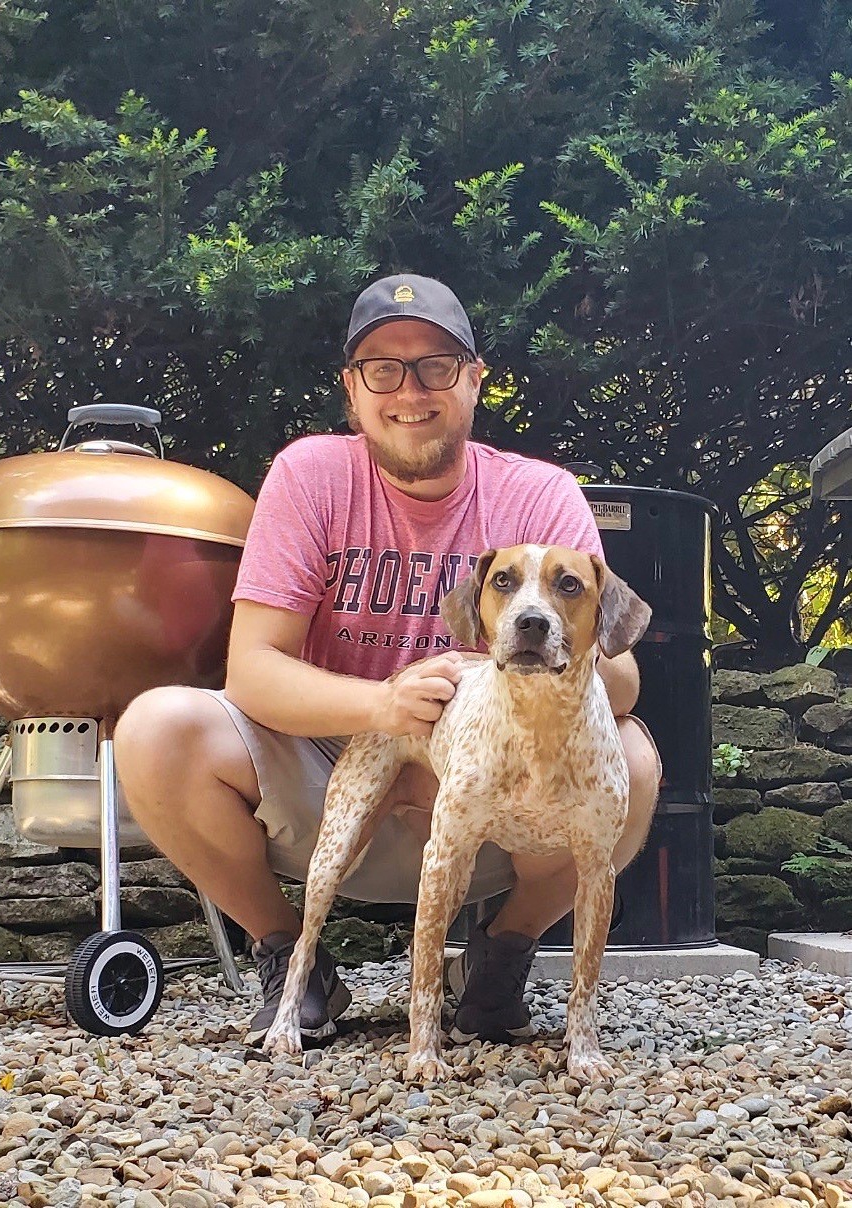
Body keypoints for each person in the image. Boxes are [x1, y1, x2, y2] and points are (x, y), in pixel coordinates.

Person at [115, 273, 661, 1046]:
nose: (409, 390)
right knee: (154, 727)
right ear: (352, 389)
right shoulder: (309, 476)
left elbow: (621, 678)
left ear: (474, 379)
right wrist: (381, 706)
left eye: (435, 365)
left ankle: (500, 958)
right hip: (329, 772)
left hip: (504, 795)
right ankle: (290, 962)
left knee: (632, 763)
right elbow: (252, 670)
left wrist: (526, 658)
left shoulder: (540, 496)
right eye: (382, 369)